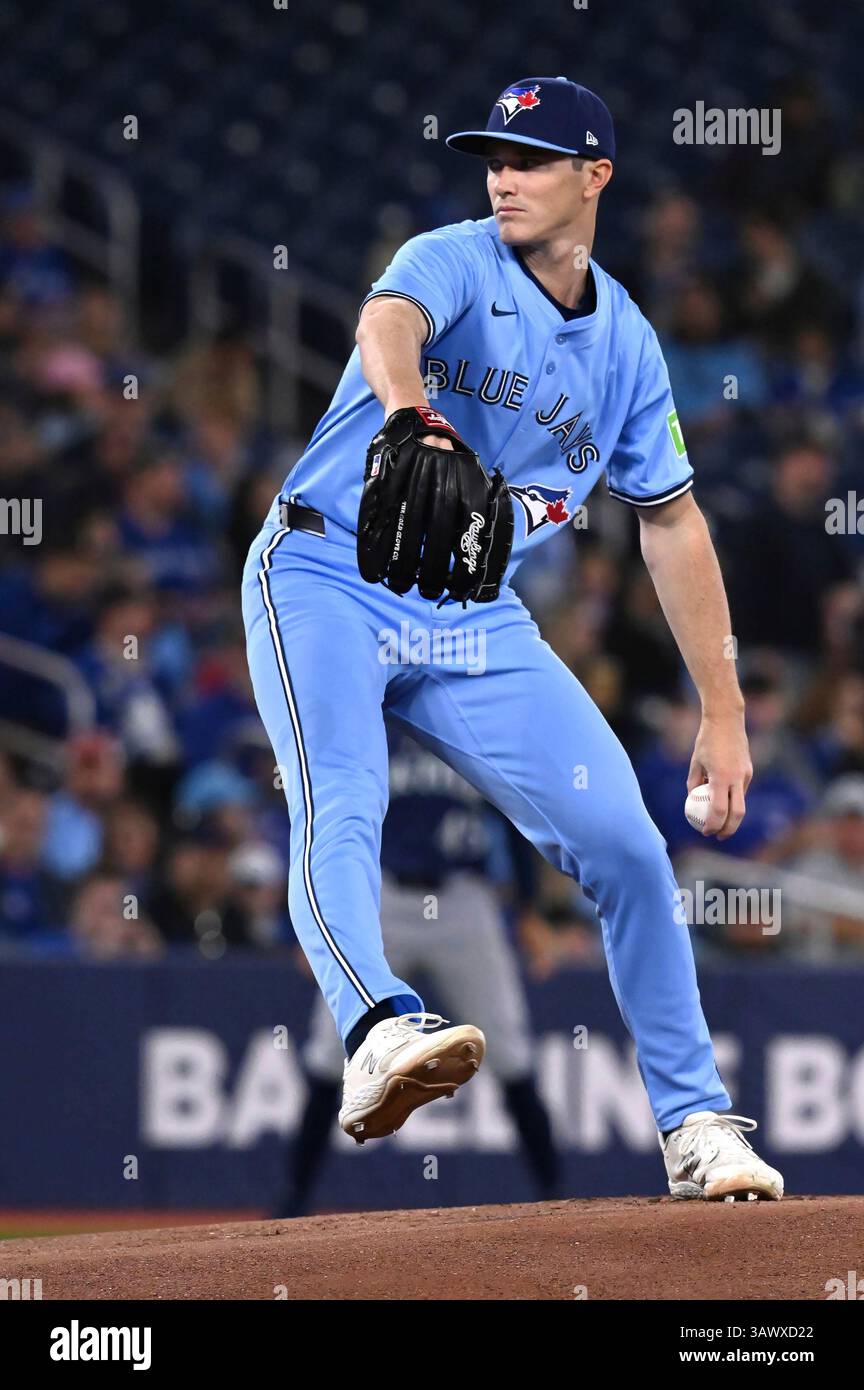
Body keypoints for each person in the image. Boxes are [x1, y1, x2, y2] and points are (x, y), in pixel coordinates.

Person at [241, 76, 783, 1200]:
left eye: (533, 159)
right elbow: (387, 319)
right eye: (494, 155)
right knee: (343, 797)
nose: (504, 176)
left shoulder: (629, 345)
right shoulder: (454, 256)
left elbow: (673, 521)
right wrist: (408, 409)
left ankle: (694, 1126)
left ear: (596, 178)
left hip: (469, 614)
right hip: (323, 567)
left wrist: (725, 716)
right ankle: (375, 1028)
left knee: (631, 848)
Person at [275, 727, 560, 1216]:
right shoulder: (367, 720)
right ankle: (291, 1203)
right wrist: (309, 918)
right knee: (330, 1051)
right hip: (381, 895)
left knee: (512, 1053)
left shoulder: (467, 721)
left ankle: (558, 1199)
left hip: (465, 900)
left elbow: (515, 813)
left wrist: (530, 908)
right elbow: (318, 818)